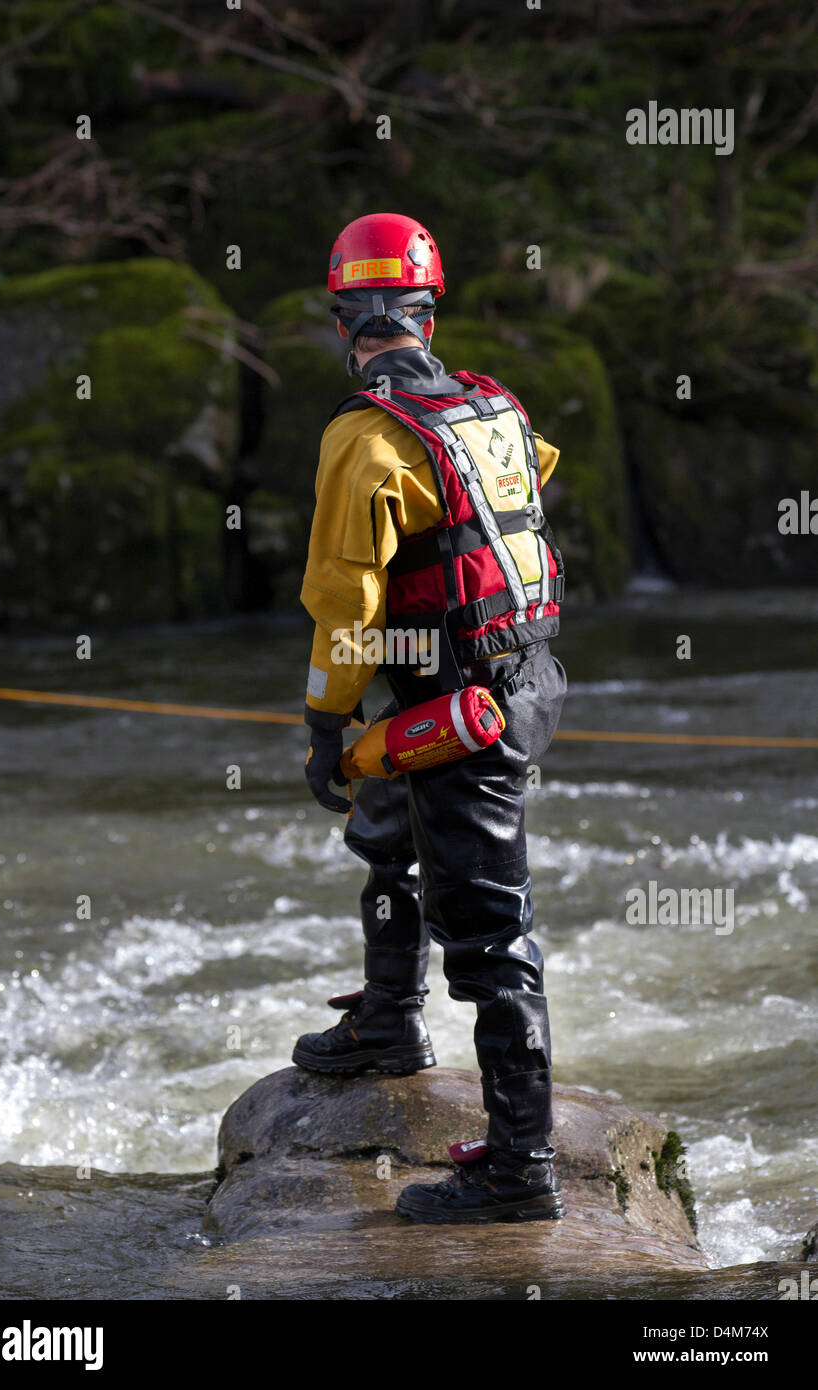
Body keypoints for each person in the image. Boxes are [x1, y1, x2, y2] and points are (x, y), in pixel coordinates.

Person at [293, 213, 568, 1224]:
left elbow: (344, 610)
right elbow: (529, 480)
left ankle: (519, 1168)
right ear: (423, 308)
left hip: (462, 706)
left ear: (342, 319)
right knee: (385, 828)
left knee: (494, 936)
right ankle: (387, 1024)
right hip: (518, 678)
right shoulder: (491, 406)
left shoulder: (364, 435)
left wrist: (324, 725)